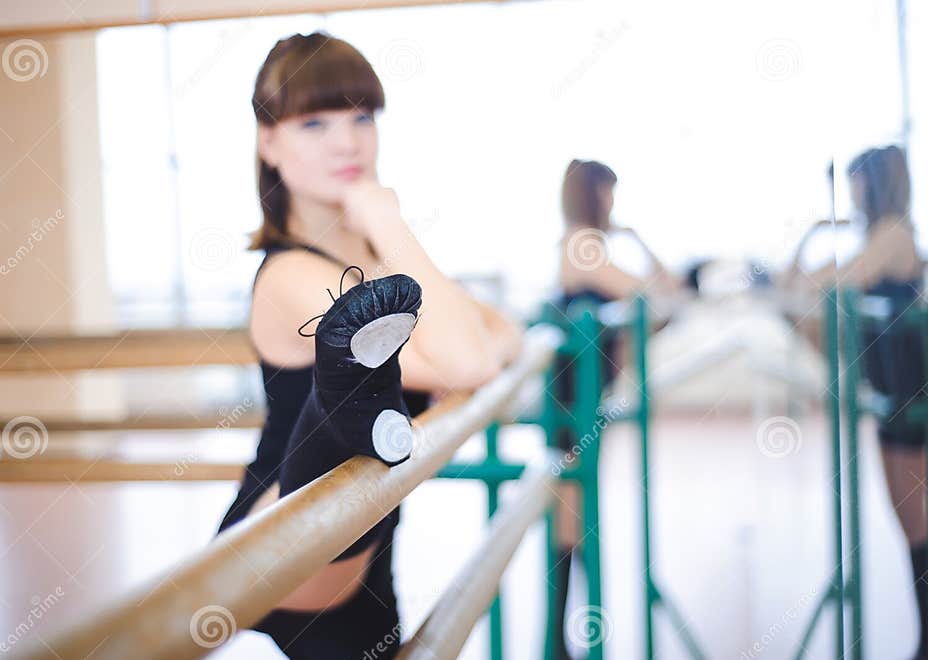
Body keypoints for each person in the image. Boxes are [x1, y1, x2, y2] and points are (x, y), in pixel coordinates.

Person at [215, 32, 523, 659]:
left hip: (374, 524)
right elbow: (472, 358)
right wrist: (385, 216)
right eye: (315, 122)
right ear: (268, 141)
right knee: (354, 363)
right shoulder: (289, 274)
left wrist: (385, 240)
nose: (348, 140)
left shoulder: (381, 267)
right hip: (293, 521)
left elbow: (500, 331)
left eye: (362, 116)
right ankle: (348, 397)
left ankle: (357, 394)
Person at [782, 145, 928, 660]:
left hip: (911, 390)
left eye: (857, 184)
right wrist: (814, 230)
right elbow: (796, 286)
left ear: (875, 184)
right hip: (891, 391)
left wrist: (825, 256)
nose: (852, 195)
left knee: (918, 520)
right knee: (908, 518)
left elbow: (835, 283)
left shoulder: (893, 235)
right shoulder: (875, 238)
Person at [550, 159, 681, 658]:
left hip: (585, 398)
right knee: (571, 516)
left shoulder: (588, 245)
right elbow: (659, 295)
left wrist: (637, 237)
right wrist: (637, 242)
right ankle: (561, 640)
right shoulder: (581, 246)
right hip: (567, 401)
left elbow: (661, 302)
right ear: (596, 195)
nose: (614, 205)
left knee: (575, 514)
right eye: (610, 194)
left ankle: (564, 637)